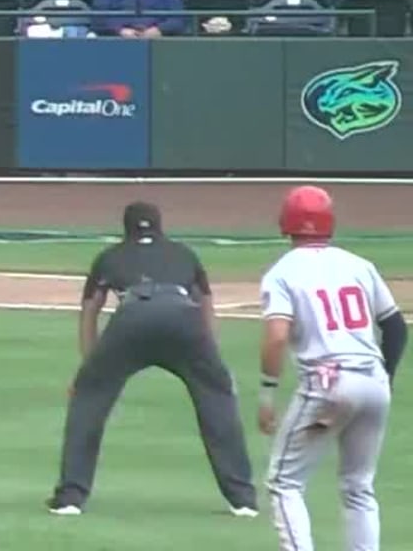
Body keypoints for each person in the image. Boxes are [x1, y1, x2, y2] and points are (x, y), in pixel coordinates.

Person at [47, 203, 257, 517]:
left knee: (88, 401)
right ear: (160, 227)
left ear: (126, 229)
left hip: (132, 319)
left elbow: (90, 309)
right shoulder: (184, 254)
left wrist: (88, 372)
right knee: (217, 399)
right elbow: (206, 304)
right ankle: (243, 501)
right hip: (184, 321)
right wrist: (213, 363)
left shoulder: (110, 256)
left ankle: (70, 499)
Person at [259, 185, 406, 551]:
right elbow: (395, 327)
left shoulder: (282, 272)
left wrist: (266, 393)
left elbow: (277, 337)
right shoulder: (359, 265)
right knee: (359, 487)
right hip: (372, 380)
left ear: (286, 224)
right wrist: (381, 380)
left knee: (284, 483)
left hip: (327, 384)